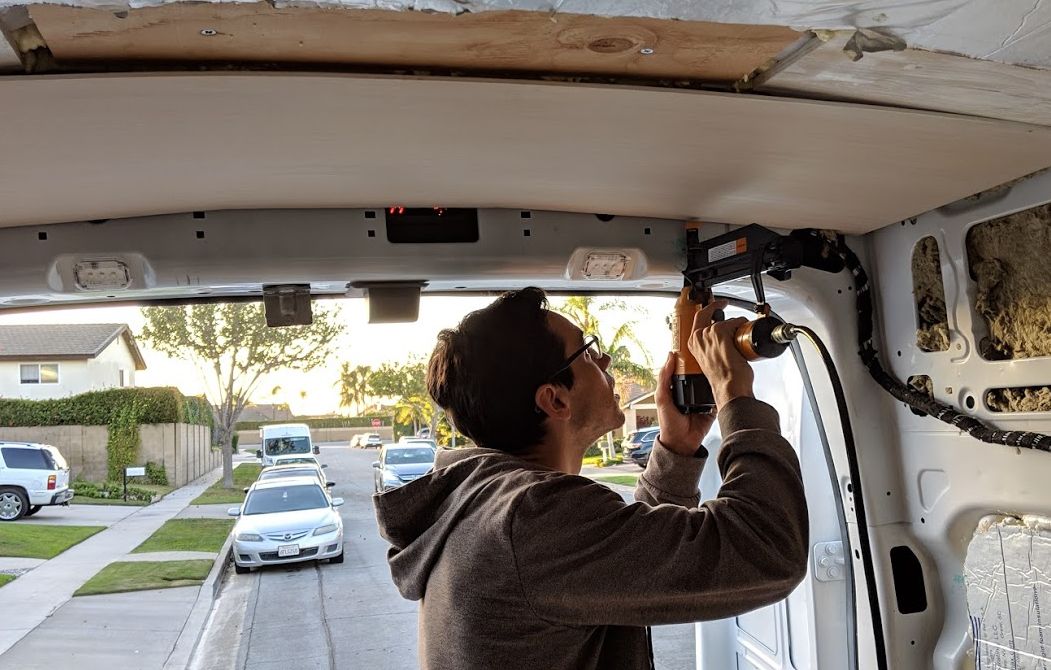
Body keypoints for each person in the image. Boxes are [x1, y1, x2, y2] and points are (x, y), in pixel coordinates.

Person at [374, 287, 808, 670]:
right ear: (554, 399)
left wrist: (676, 448)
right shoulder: (529, 518)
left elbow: (627, 561)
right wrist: (736, 397)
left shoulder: (484, 500)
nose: (606, 359)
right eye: (587, 351)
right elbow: (765, 548)